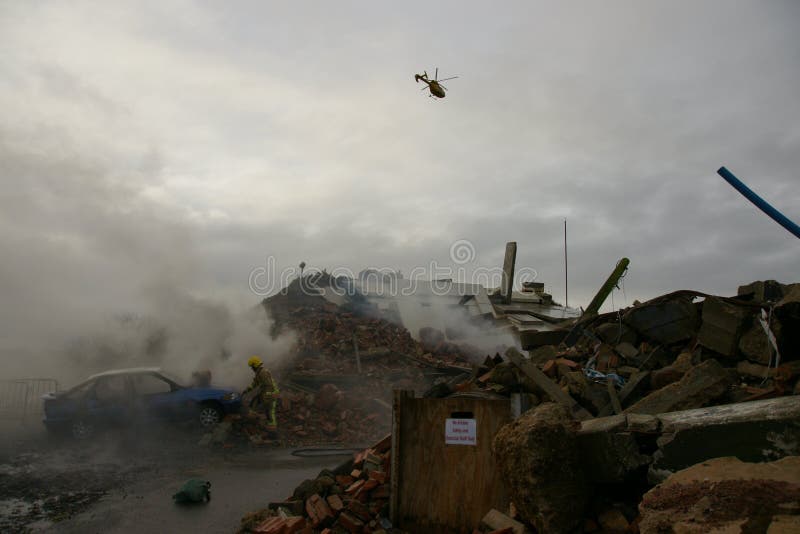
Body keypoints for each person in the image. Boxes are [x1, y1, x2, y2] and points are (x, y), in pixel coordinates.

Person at [244, 356, 280, 434]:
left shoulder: (263, 372)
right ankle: (252, 416)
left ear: (255, 365)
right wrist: (246, 390)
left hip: (271, 394)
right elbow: (255, 383)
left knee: (269, 411)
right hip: (267, 393)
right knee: (255, 401)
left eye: (252, 367)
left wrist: (267, 396)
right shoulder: (259, 373)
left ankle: (272, 431)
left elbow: (269, 385)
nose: (251, 369)